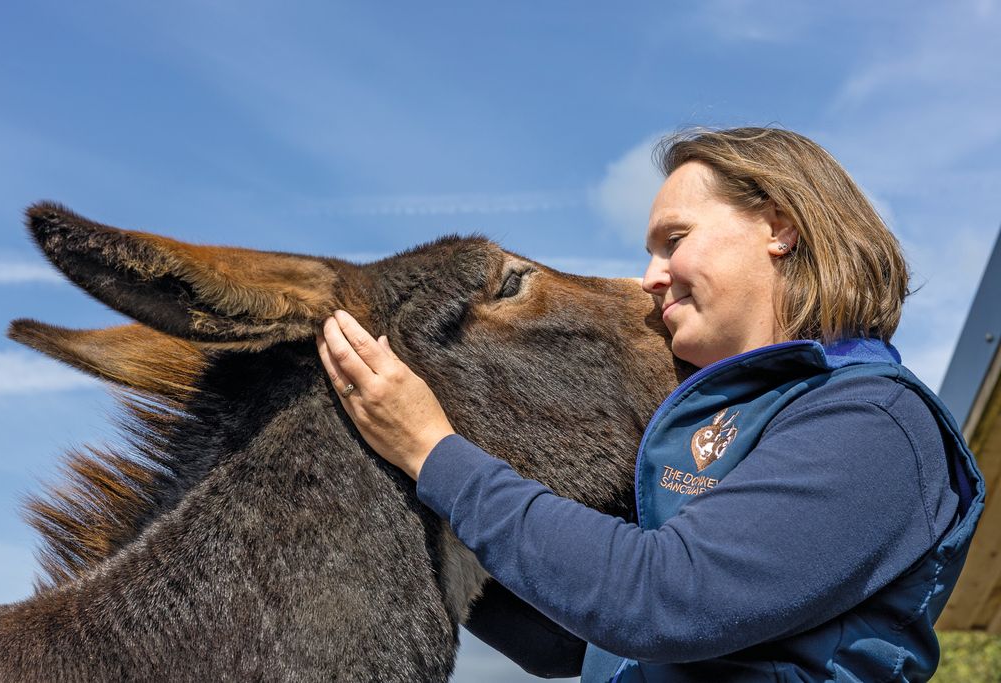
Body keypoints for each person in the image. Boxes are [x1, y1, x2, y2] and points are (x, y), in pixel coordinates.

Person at [315, 127, 985, 682]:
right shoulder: (734, 416)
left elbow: (667, 598)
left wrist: (436, 455)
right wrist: (407, 507)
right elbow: (571, 641)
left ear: (779, 226)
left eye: (675, 238)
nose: (650, 276)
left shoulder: (873, 423)